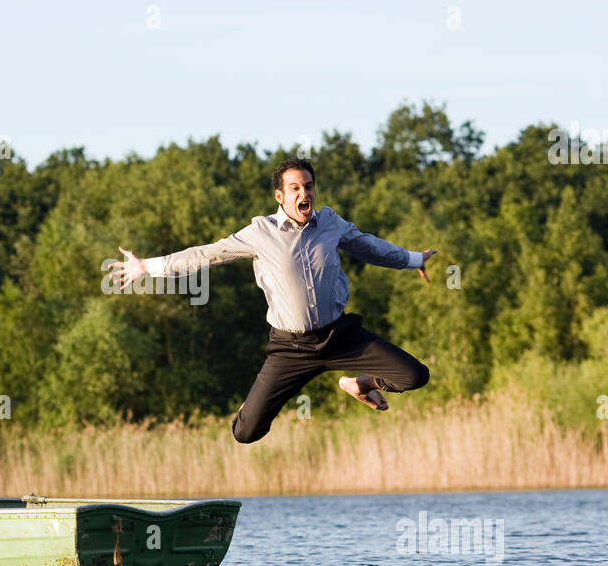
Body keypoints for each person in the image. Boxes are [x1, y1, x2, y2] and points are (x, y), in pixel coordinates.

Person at [108, 158, 435, 443]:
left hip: (341, 337)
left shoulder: (331, 224)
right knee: (246, 433)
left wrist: (411, 259)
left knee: (414, 375)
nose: (303, 193)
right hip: (291, 349)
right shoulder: (260, 233)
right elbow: (206, 255)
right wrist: (146, 266)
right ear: (280, 197)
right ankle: (251, 406)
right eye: (294, 188)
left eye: (308, 186)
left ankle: (357, 385)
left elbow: (368, 246)